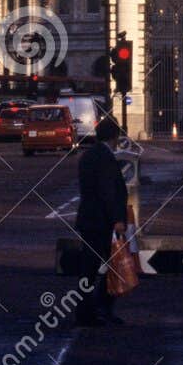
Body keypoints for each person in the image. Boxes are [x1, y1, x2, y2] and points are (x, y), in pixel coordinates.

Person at [73, 116, 129, 327]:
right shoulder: (105, 158)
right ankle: (99, 309)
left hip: (88, 219)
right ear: (114, 136)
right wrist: (117, 219)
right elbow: (108, 192)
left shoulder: (88, 156)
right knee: (112, 267)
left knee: (89, 269)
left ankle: (88, 310)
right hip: (101, 222)